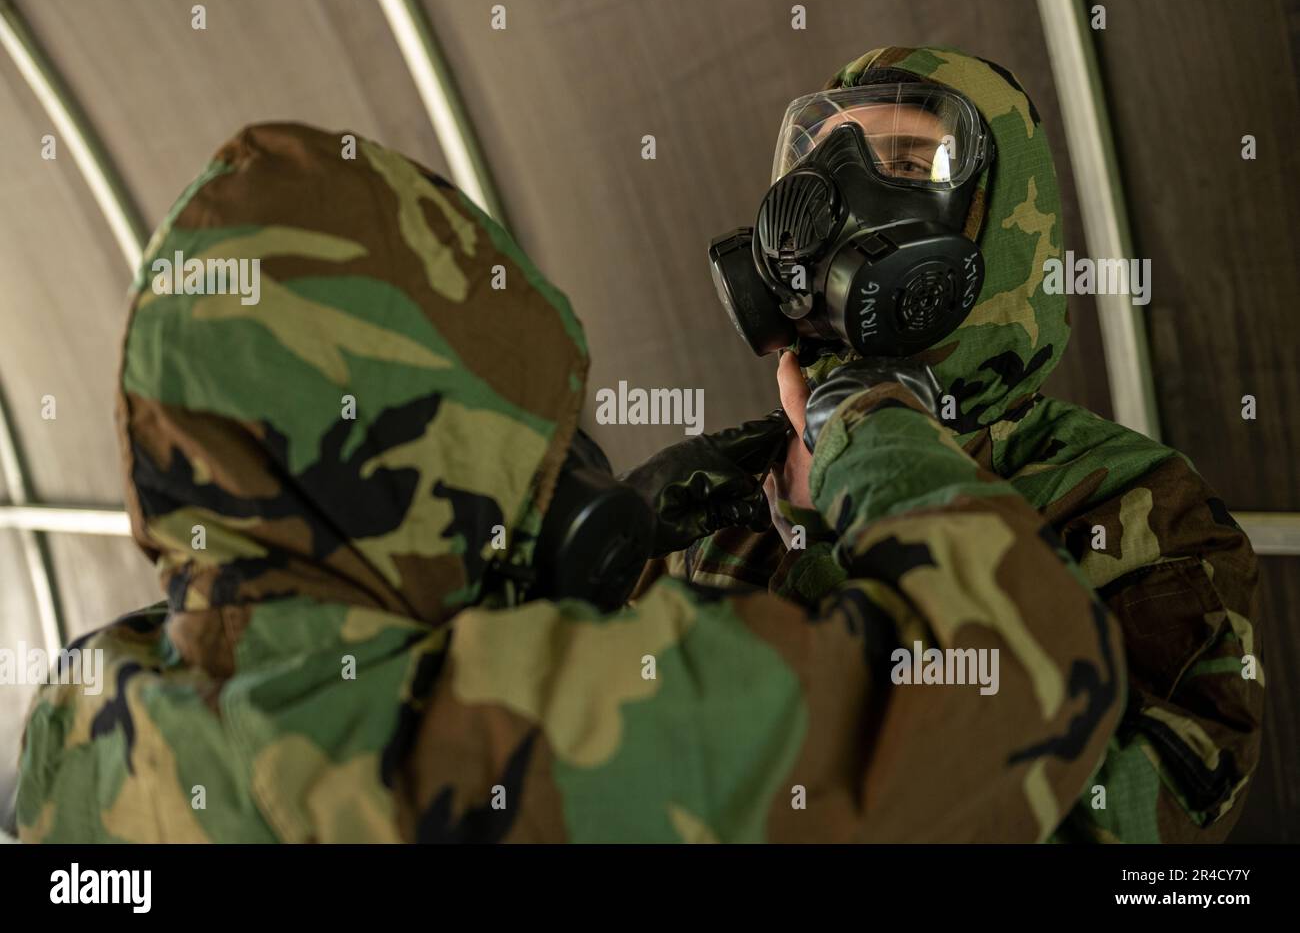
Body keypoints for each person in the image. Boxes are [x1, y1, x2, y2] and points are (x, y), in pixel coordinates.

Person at [16, 108, 1122, 844]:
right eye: (527, 446)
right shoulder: (492, 735)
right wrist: (868, 423)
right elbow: (1017, 663)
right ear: (416, 446)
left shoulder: (80, 710)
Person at [654, 45, 1265, 842]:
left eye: (908, 159)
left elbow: (1135, 835)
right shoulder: (707, 502)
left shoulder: (1137, 507)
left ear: (997, 221)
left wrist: (869, 453)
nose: (839, 198)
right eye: (824, 160)